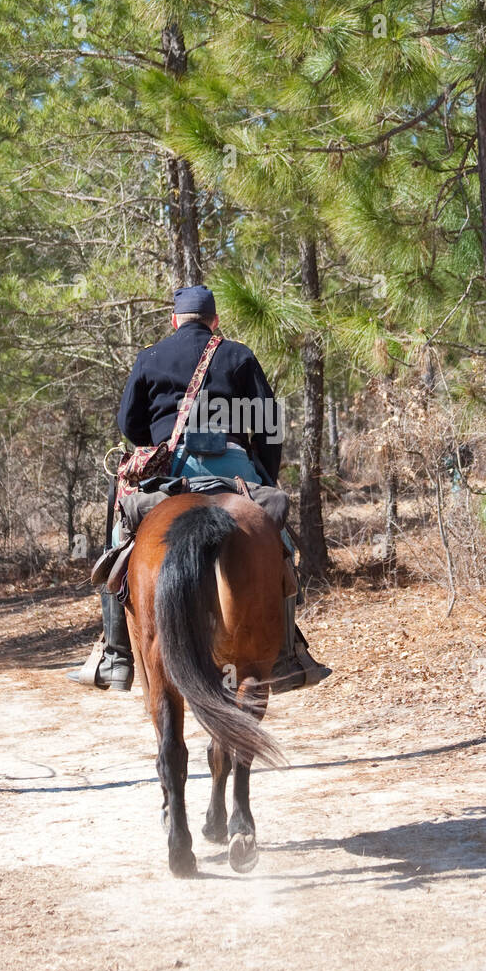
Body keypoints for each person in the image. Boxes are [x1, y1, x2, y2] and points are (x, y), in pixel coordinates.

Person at [83, 283, 331, 692]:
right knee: (279, 541)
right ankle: (288, 653)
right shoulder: (239, 355)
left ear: (174, 320)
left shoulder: (150, 357)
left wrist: (161, 440)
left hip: (169, 475)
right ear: (215, 321)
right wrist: (263, 478)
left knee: (120, 539)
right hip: (233, 467)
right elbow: (269, 429)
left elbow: (129, 426)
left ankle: (116, 654)